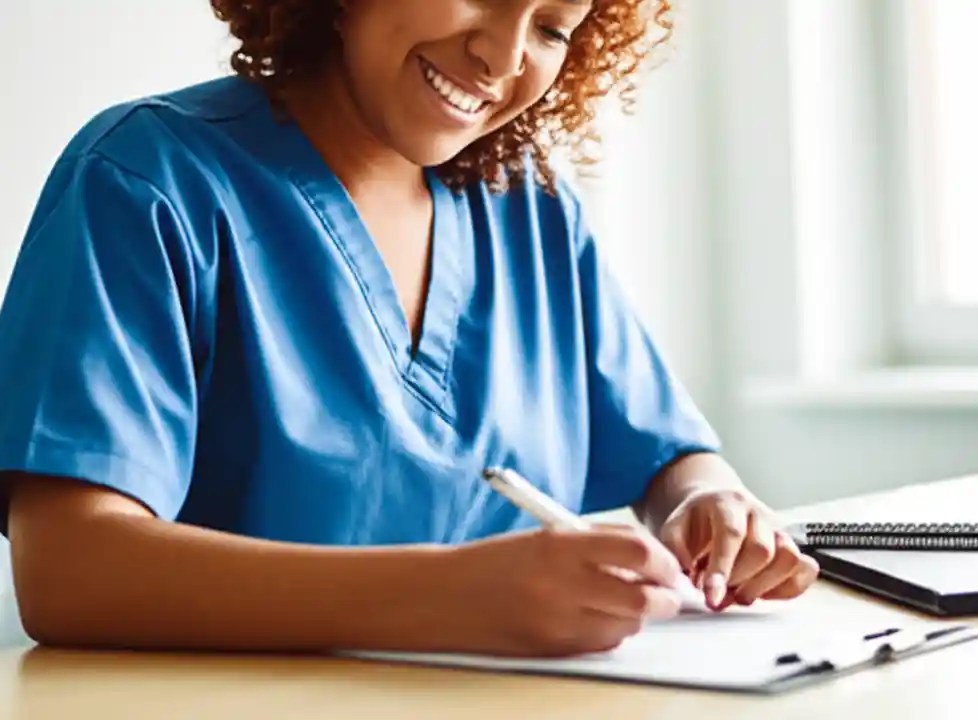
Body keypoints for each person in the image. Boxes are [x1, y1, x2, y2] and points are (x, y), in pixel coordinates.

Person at [0, 0, 818, 657]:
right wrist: (454, 598)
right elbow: (70, 571)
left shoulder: (528, 207)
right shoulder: (145, 182)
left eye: (551, 27)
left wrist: (710, 503)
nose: (502, 58)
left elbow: (666, 453)